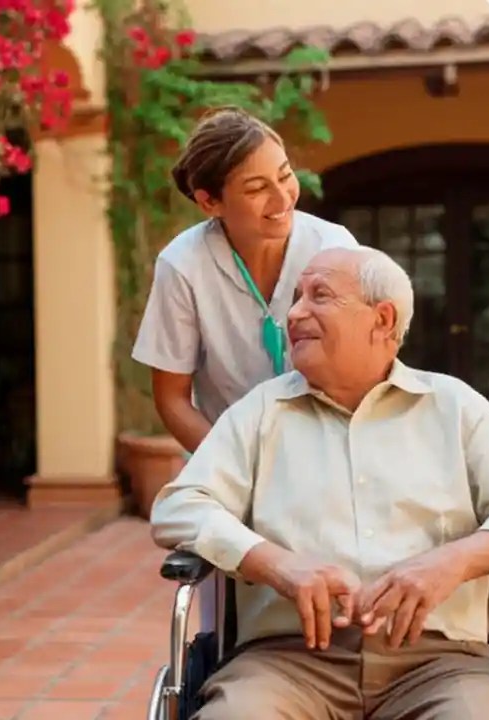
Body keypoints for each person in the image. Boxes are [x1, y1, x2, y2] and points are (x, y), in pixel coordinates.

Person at [149, 247, 489, 720]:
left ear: (382, 318)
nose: (294, 313)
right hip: (285, 664)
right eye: (295, 298)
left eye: (320, 296)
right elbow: (180, 506)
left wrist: (454, 561)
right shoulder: (260, 412)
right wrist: (275, 565)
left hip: (443, 666)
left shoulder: (454, 407)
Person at [131, 107, 358, 628]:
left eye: (284, 176)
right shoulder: (183, 265)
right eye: (257, 188)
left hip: (331, 453)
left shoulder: (335, 248)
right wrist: (236, 464)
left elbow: (366, 369)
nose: (282, 200)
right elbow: (171, 397)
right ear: (210, 201)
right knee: (236, 629)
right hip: (232, 460)